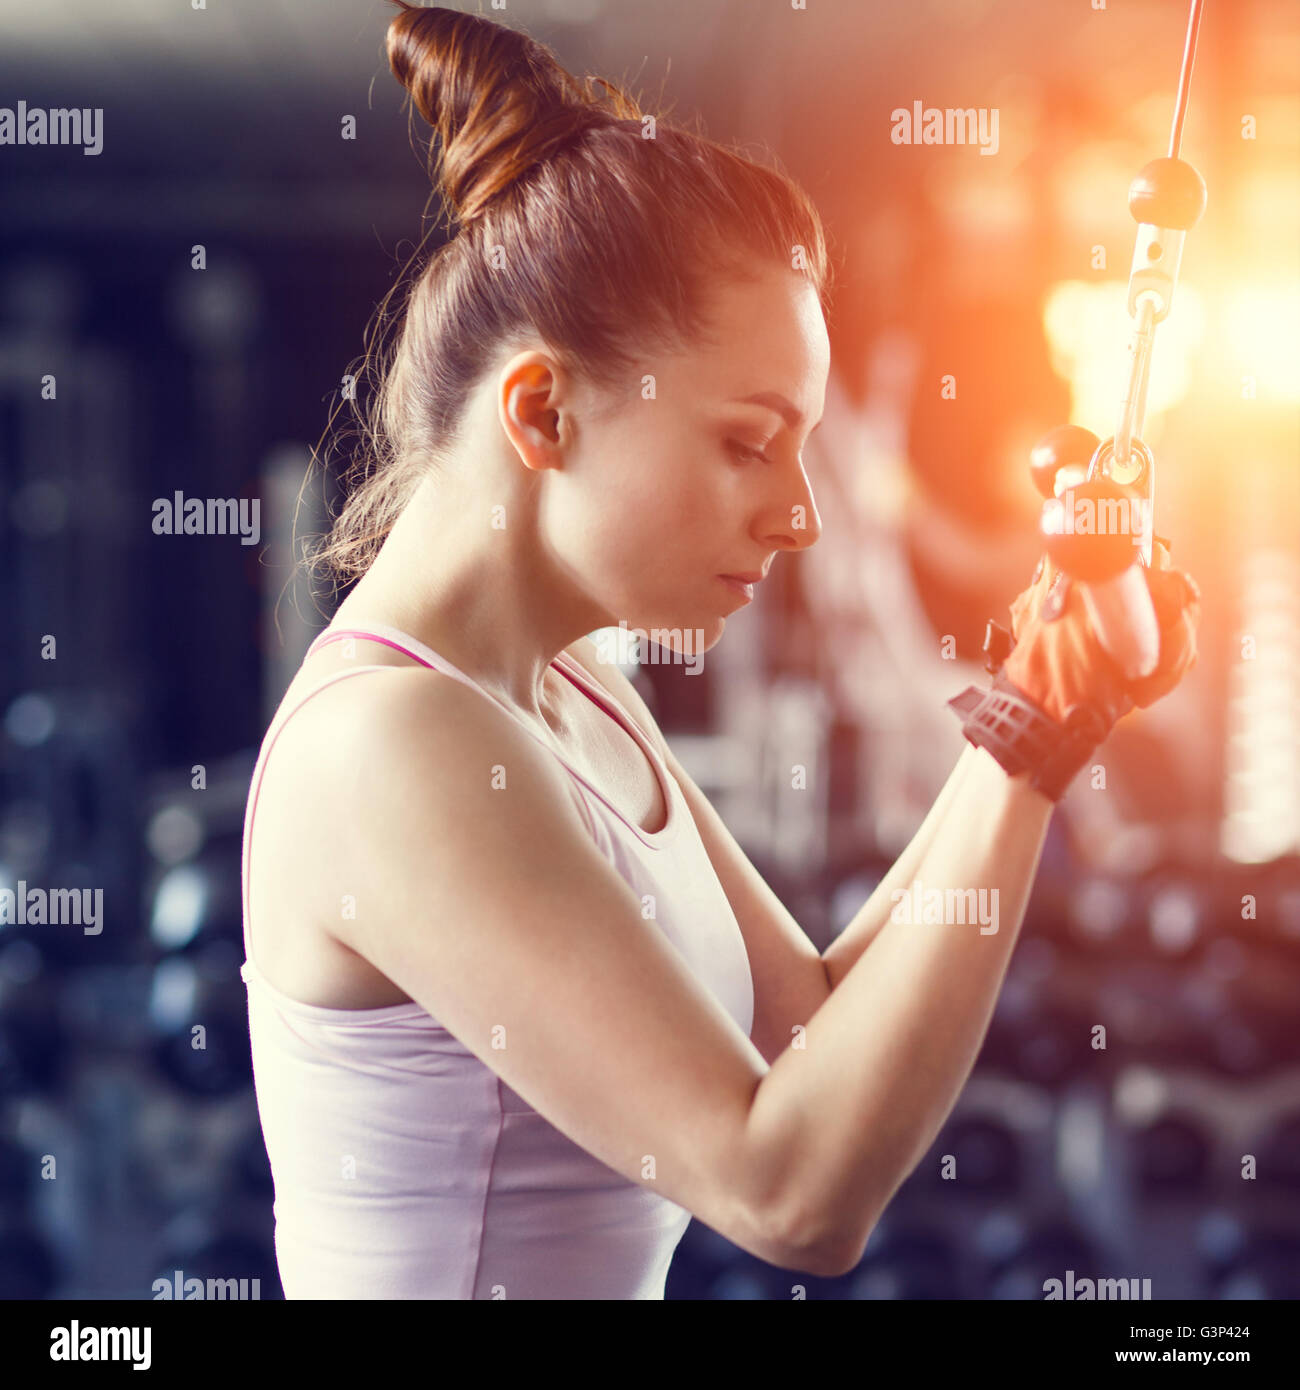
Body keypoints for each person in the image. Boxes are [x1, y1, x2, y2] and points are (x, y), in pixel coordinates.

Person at [239, 2, 1201, 1299]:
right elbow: (788, 1191)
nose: (800, 512)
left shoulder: (577, 688)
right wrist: (1026, 741)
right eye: (751, 441)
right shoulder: (390, 745)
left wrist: (1044, 716)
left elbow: (801, 1026)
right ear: (543, 410)